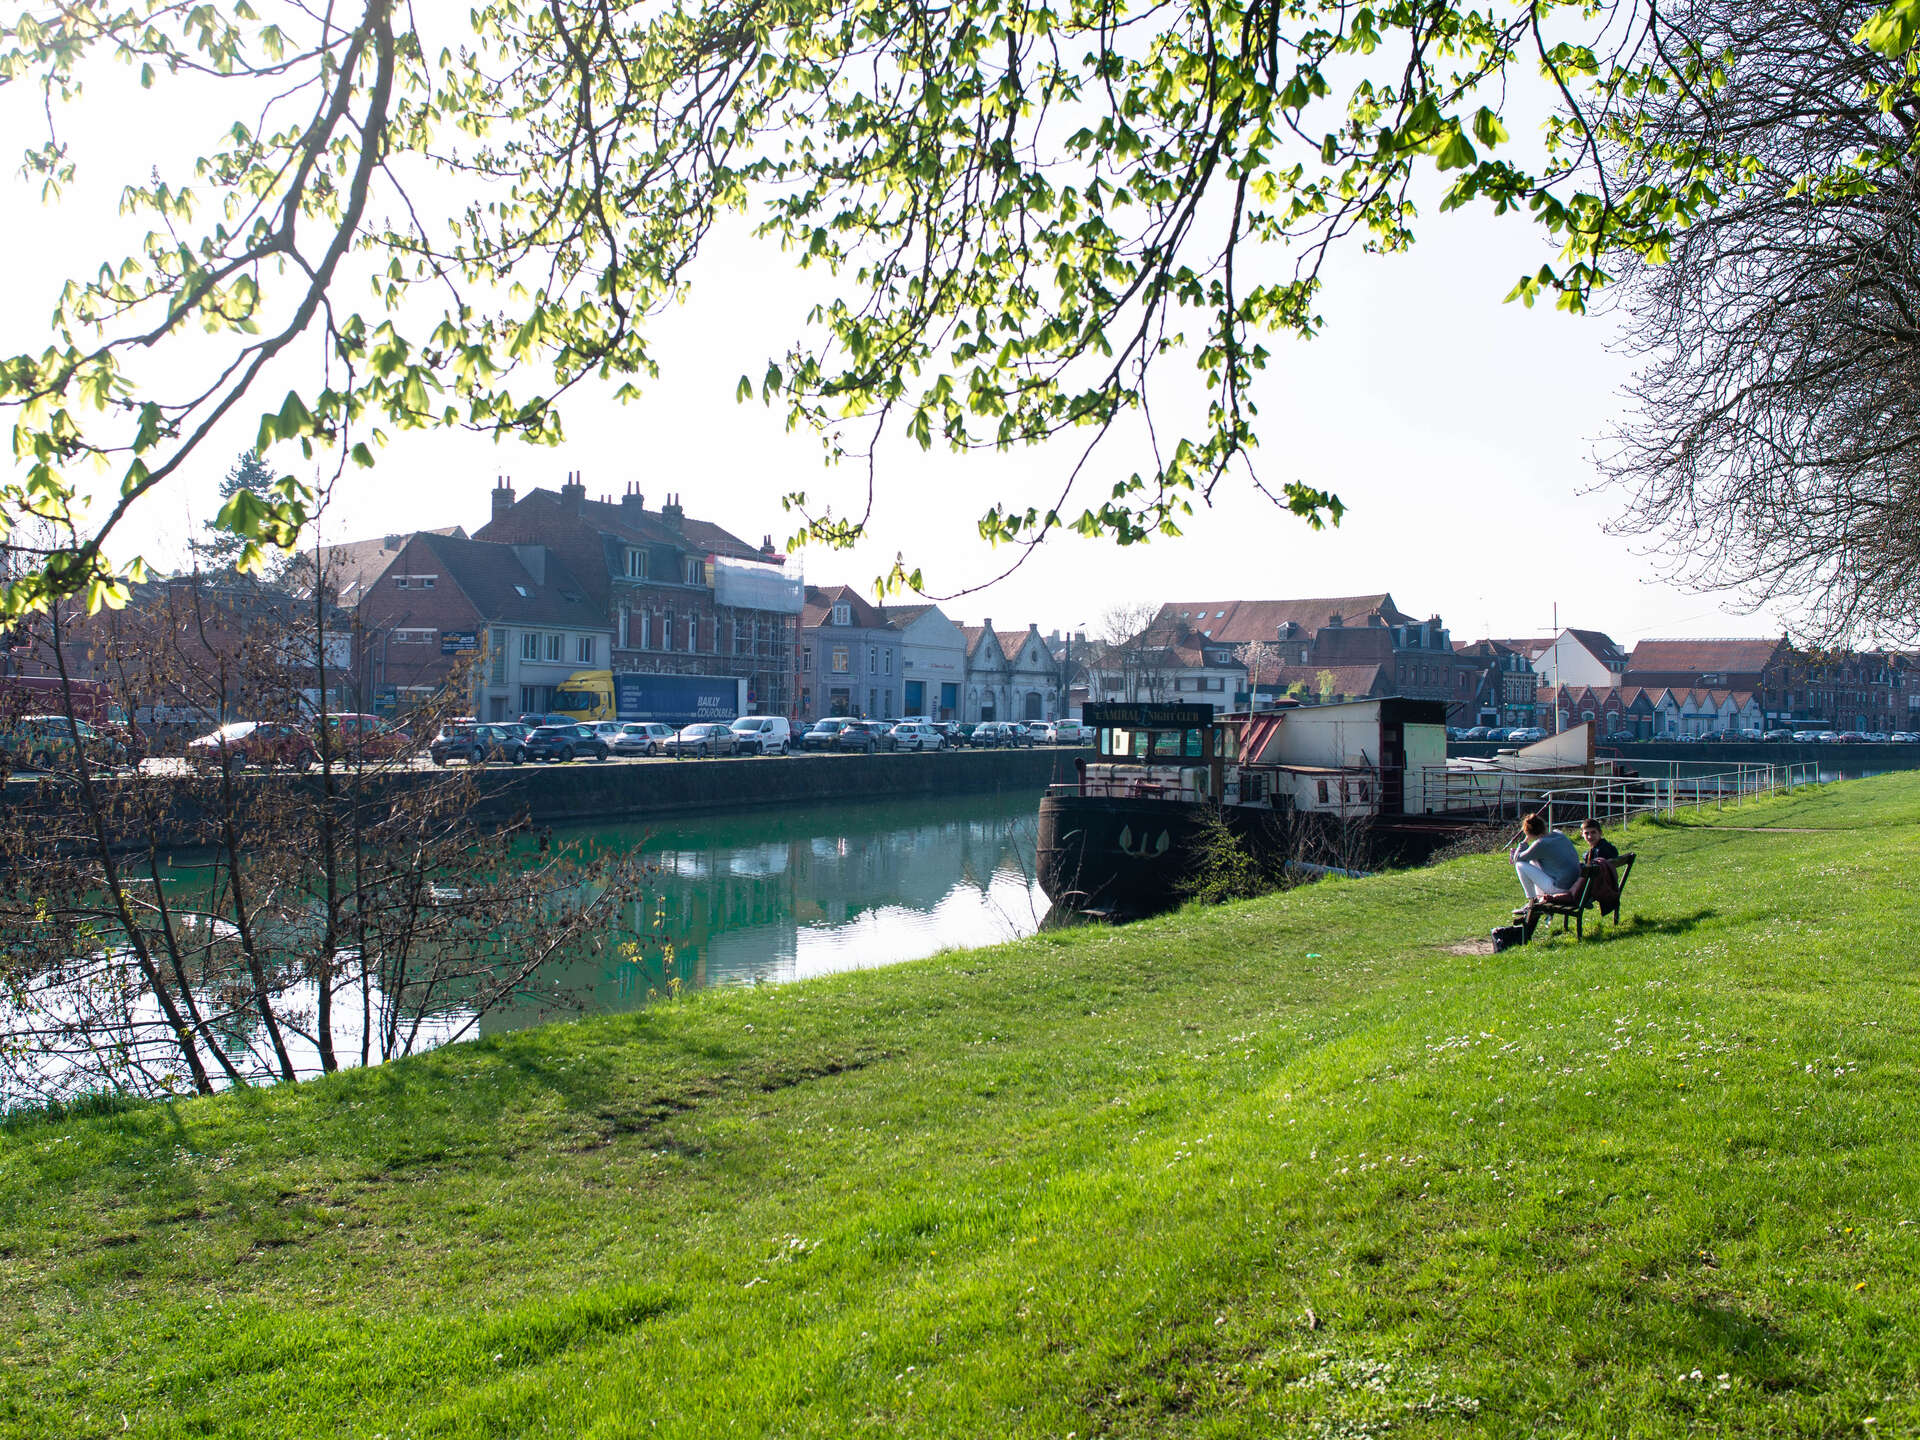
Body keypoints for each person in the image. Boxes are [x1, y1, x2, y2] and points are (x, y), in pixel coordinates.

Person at [1510, 813, 1580, 903]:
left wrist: (1525, 841)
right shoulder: (1559, 835)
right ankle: (1538, 899)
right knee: (1533, 861)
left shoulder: (1540, 844)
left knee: (1520, 865)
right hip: (1574, 885)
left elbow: (1517, 859)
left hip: (1560, 888)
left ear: (1528, 832)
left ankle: (1532, 901)